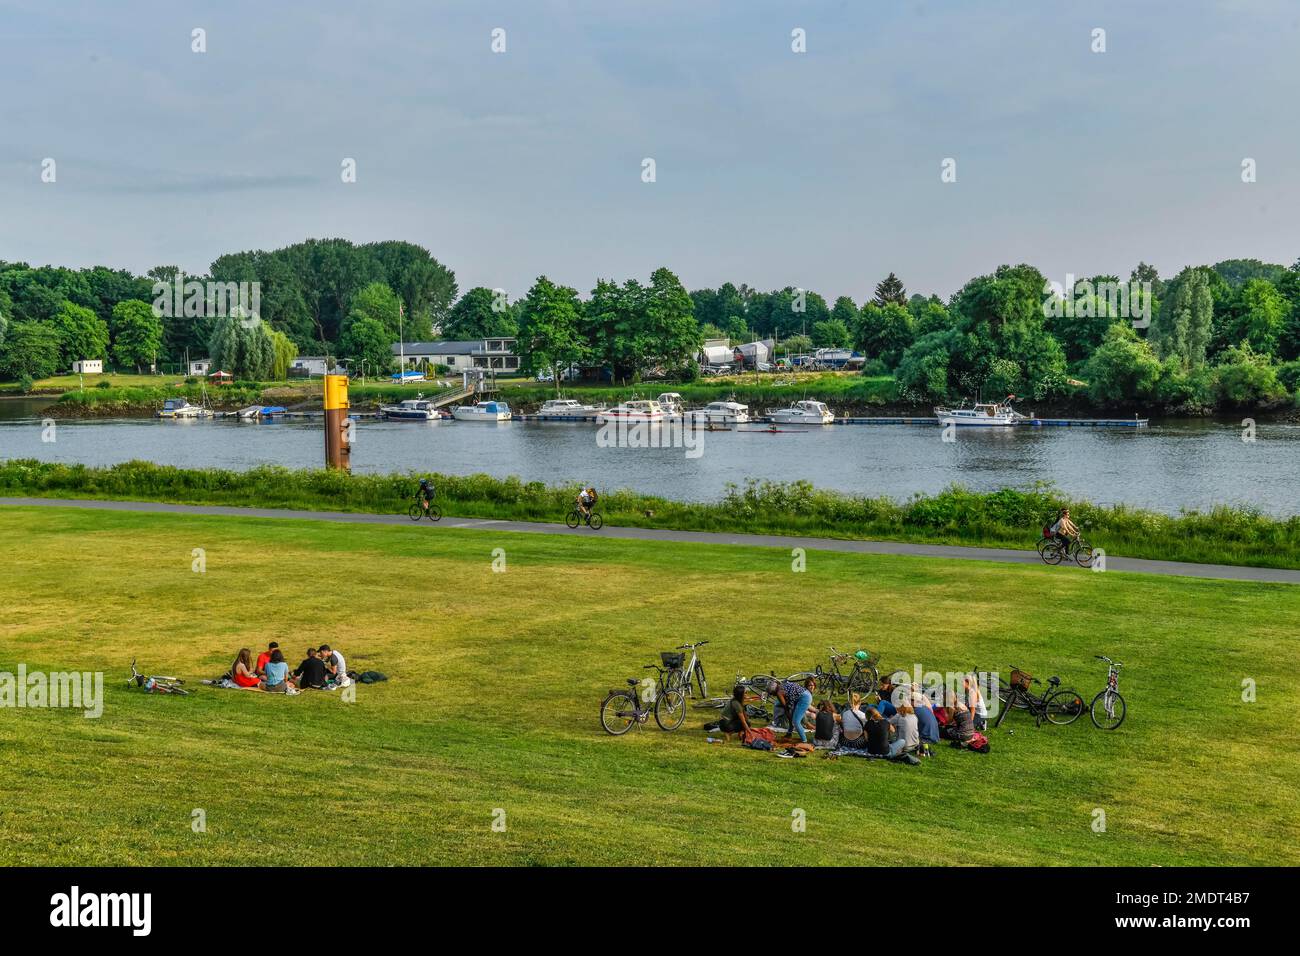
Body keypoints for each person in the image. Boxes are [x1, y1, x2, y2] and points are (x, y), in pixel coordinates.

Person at [769, 677, 816, 743]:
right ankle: (789, 734)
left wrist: (789, 716)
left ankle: (804, 741)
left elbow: (785, 706)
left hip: (804, 699)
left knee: (796, 722)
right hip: (805, 694)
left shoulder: (779, 693)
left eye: (771, 693)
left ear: (773, 691)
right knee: (793, 718)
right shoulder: (783, 685)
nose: (772, 695)